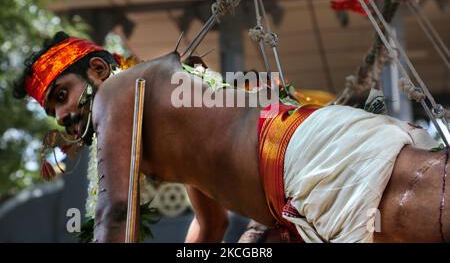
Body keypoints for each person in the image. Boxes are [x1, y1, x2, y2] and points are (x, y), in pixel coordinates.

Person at [13, 31, 450, 243]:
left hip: (298, 157)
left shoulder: (115, 92)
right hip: (293, 184)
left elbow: (115, 211)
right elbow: (211, 225)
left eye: (62, 95)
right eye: (53, 110)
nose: (64, 114)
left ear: (96, 70)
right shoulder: (170, 125)